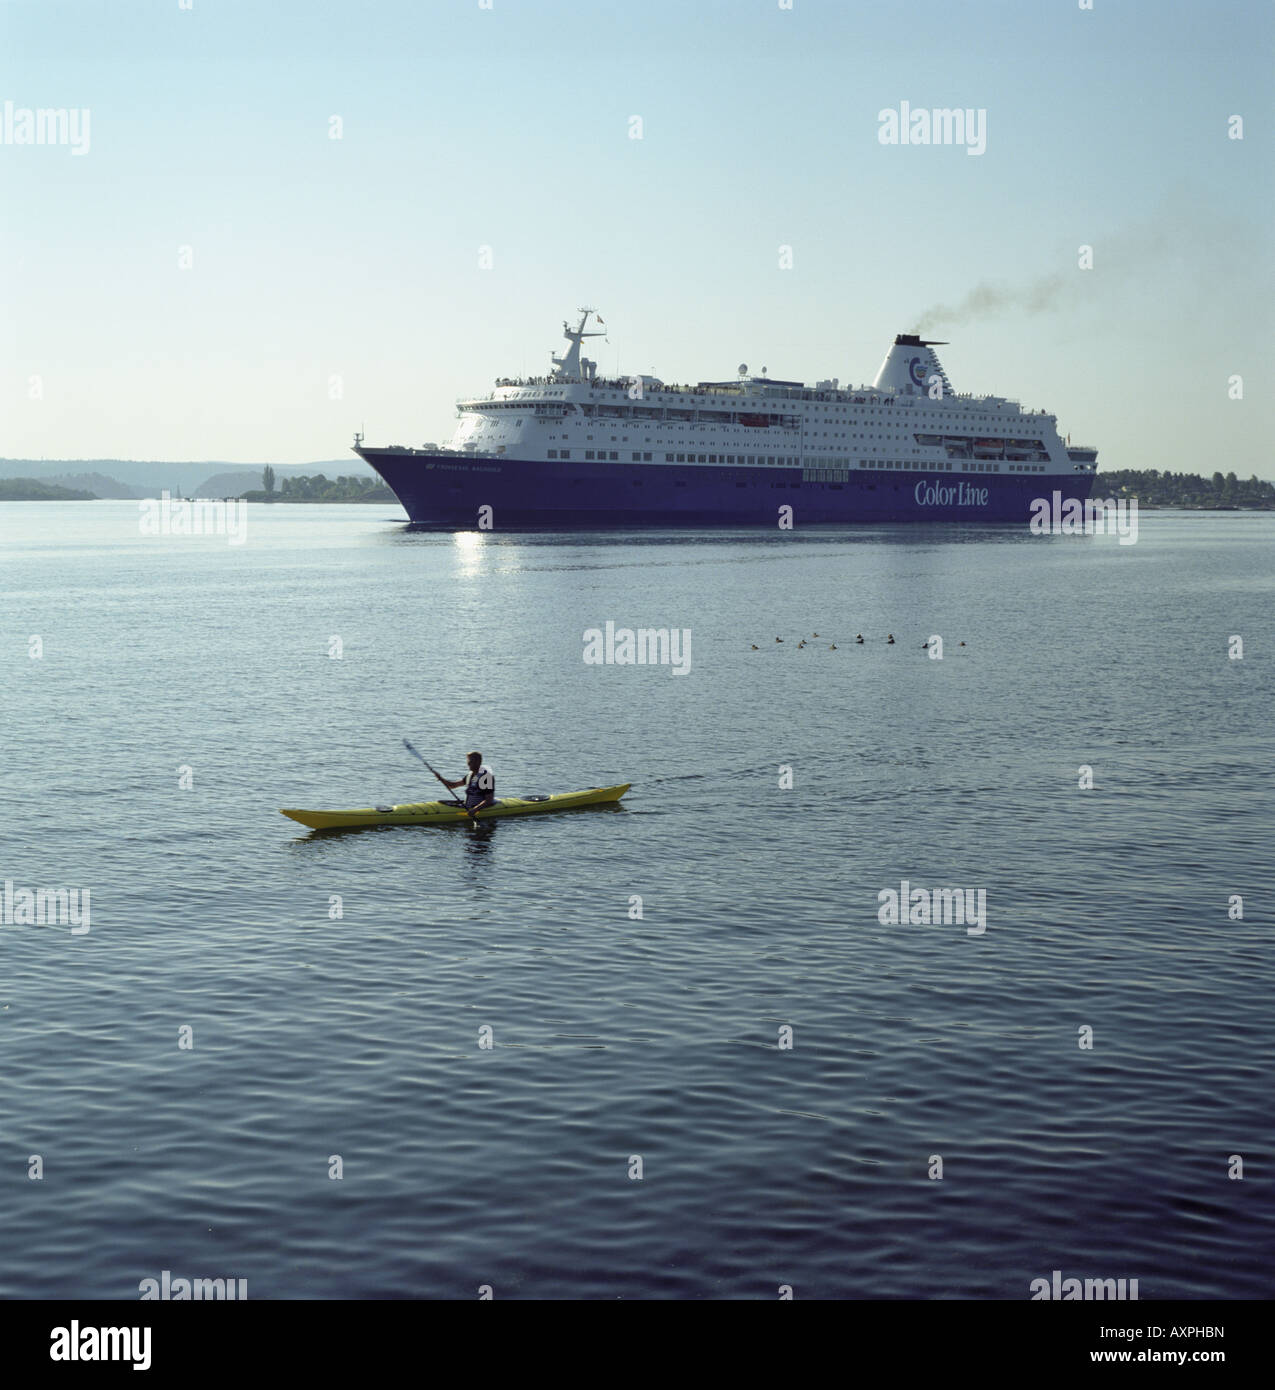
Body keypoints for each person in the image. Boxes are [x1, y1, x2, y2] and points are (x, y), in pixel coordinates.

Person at [443, 752, 496, 816]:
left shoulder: (487, 777)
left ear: (478, 762)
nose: (468, 764)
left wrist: (475, 810)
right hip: (468, 806)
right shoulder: (471, 775)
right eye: (468, 761)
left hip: (478, 809)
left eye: (471, 761)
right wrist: (441, 779)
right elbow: (453, 785)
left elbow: (489, 800)